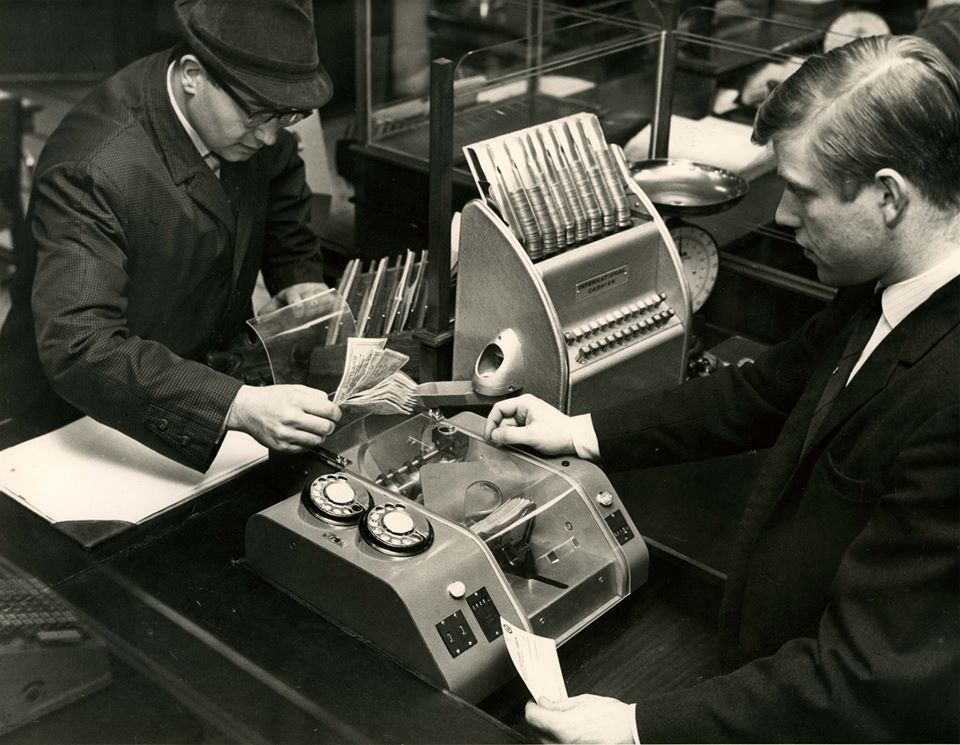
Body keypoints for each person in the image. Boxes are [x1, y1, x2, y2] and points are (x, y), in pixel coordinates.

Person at [486, 35, 959, 742]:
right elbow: (762, 392)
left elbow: (867, 676)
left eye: (802, 192)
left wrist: (639, 728)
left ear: (889, 196)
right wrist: (578, 430)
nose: (783, 217)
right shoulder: (884, 283)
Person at [0, 0, 343, 471]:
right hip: (77, 416)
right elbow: (80, 346)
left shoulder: (249, 108)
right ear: (191, 75)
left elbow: (280, 171)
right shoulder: (92, 168)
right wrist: (235, 404)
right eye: (258, 115)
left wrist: (296, 274)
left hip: (199, 369)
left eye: (286, 117)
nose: (268, 136)